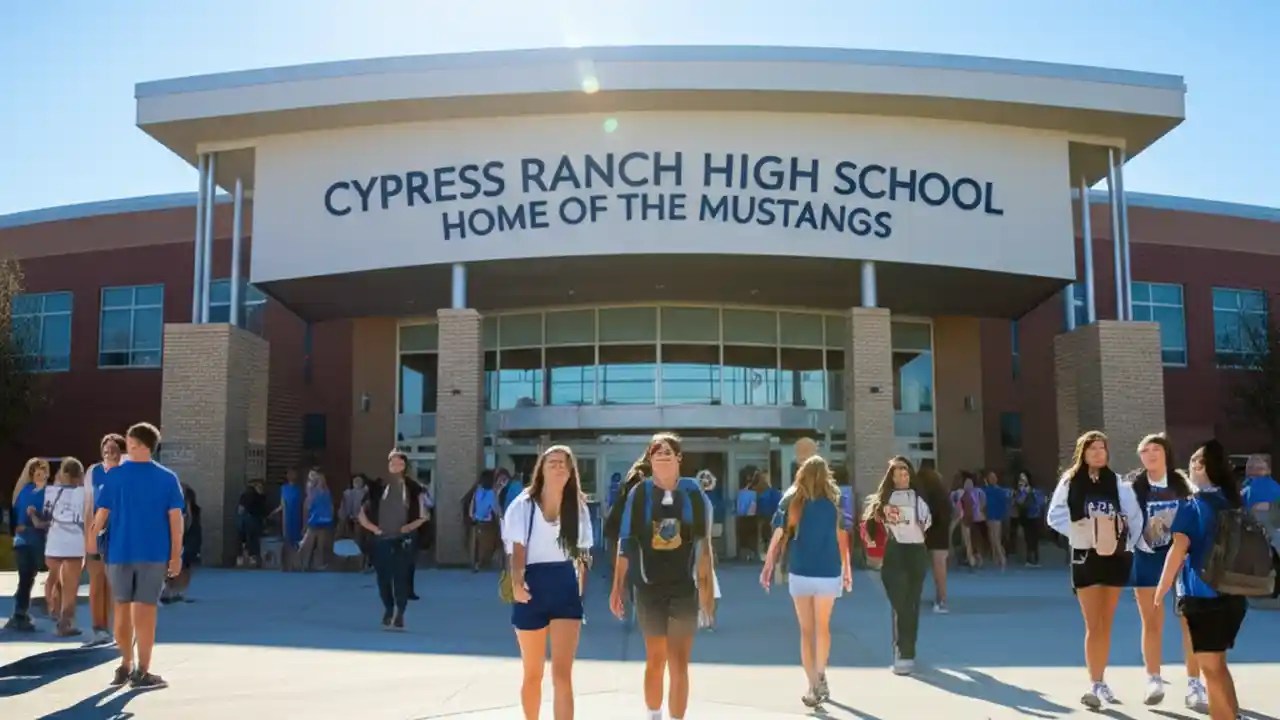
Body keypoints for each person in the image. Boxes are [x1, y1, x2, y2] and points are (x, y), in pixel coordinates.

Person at [610, 433, 715, 720]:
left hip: (684, 589)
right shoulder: (640, 494)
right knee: (655, 660)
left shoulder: (693, 493)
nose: (663, 454)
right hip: (648, 588)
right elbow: (626, 541)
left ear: (679, 457)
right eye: (656, 451)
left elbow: (705, 546)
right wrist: (617, 587)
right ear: (650, 458)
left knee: (679, 663)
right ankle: (654, 715)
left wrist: (707, 591)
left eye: (669, 450)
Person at [1046, 430, 1144, 710]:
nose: (1099, 452)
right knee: (1093, 624)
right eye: (1093, 448)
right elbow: (1054, 516)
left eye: (1102, 448)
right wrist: (1079, 533)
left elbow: (1135, 518)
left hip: (1113, 557)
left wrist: (1128, 542)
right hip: (1085, 557)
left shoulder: (1119, 483)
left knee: (1106, 621)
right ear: (1083, 452)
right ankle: (1095, 682)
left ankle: (1101, 681)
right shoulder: (1070, 482)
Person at [1155, 440, 1252, 720]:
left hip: (1201, 595)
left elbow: (1178, 548)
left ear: (1200, 466)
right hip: (1234, 592)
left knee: (1211, 669)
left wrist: (1161, 588)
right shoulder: (1234, 499)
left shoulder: (1193, 505)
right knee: (1218, 665)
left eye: (1194, 462)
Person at [91, 422, 186, 689]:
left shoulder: (115, 476)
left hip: (119, 553)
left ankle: (125, 664)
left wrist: (90, 541)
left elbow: (101, 515)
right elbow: (175, 520)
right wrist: (175, 555)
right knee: (145, 612)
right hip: (153, 553)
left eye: (129, 442)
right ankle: (143, 672)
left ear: (138, 444)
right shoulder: (168, 478)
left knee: (121, 609)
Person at [503, 445, 593, 720]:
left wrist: (579, 592)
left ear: (571, 472)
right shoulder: (523, 504)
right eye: (552, 462)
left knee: (563, 675)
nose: (558, 467)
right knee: (533, 673)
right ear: (541, 468)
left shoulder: (577, 508)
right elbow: (517, 551)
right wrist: (517, 583)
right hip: (532, 587)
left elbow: (583, 555)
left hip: (565, 587)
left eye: (563, 463)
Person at [760, 455, 852, 707]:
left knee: (806, 630)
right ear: (826, 475)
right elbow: (842, 537)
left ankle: (812, 685)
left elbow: (778, 535)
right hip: (829, 571)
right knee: (823, 627)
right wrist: (847, 569)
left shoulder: (791, 500)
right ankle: (821, 674)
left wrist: (768, 565)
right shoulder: (836, 502)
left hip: (800, 571)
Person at [1126, 433, 1203, 709]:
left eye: (1155, 449)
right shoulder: (1133, 487)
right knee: (1151, 621)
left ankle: (1195, 685)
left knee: (1190, 623)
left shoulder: (1184, 485)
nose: (1150, 454)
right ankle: (1153, 679)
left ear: (1166, 453)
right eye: (1144, 450)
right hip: (1147, 559)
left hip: (1183, 561)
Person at [863, 456, 932, 675]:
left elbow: (926, 522)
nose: (903, 477)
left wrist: (921, 523)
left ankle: (906, 651)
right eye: (899, 473)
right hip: (895, 550)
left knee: (911, 603)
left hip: (916, 551)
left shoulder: (918, 499)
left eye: (906, 473)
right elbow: (869, 527)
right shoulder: (886, 499)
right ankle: (902, 648)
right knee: (899, 601)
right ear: (891, 477)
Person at [357, 450, 428, 630]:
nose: (395, 466)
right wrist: (374, 529)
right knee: (383, 578)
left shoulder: (414, 488)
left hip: (403, 540)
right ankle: (388, 609)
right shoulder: (378, 486)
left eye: (400, 463)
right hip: (382, 539)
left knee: (401, 577)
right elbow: (361, 514)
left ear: (405, 466)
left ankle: (400, 614)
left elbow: (424, 515)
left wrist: (408, 527)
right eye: (392, 463)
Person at [85, 434, 124, 645]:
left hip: (119, 533)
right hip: (97, 532)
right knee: (97, 583)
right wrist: (89, 536)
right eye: (106, 450)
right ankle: (98, 629)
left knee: (116, 585)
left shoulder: (127, 472)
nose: (109, 454)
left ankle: (119, 630)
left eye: (114, 450)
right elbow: (88, 505)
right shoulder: (93, 472)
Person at [44, 457, 88, 637]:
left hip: (54, 541)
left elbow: (46, 515)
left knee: (54, 579)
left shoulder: (51, 492)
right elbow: (86, 519)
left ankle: (53, 609)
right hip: (74, 542)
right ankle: (65, 622)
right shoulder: (84, 493)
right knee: (70, 586)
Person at [6, 458, 50, 632]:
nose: (39, 475)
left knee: (42, 577)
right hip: (23, 540)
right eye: (35, 472)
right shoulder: (24, 491)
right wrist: (17, 527)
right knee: (26, 577)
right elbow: (16, 513)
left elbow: (50, 517)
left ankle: (57, 612)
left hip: (43, 541)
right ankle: (20, 613)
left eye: (42, 471)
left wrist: (36, 521)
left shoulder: (50, 493)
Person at [918, 467, 953, 613]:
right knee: (940, 565)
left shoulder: (926, 495)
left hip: (933, 530)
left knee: (936, 566)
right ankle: (941, 598)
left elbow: (922, 515)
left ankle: (941, 599)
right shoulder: (942, 495)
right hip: (942, 530)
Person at [162, 483, 202, 604]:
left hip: (187, 537)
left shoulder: (193, 511)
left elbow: (192, 527)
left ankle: (178, 590)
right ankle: (168, 590)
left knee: (185, 563)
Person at [299, 468, 334, 571]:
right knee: (311, 544)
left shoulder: (324, 492)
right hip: (315, 521)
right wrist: (305, 524)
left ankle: (315, 564)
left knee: (319, 544)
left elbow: (330, 507)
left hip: (321, 521)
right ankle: (306, 564)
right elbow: (306, 509)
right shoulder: (313, 492)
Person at [271, 469, 305, 571]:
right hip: (287, 517)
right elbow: (283, 504)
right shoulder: (284, 488)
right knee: (287, 540)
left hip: (297, 517)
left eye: (294, 474)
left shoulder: (300, 489)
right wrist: (274, 512)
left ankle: (296, 564)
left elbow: (303, 505)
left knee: (297, 542)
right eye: (290, 474)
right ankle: (285, 564)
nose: (292, 476)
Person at [1011, 471, 1045, 567]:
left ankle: (1036, 559)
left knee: (1035, 538)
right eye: (1021, 478)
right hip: (1025, 517)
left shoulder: (1035, 490)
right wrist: (1023, 492)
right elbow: (1018, 502)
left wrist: (1031, 492)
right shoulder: (1019, 491)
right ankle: (1029, 559)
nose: (1022, 480)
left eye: (1024, 477)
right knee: (1028, 537)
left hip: (1035, 516)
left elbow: (1041, 501)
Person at [471, 470, 502, 572]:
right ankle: (482, 563)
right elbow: (495, 508)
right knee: (490, 543)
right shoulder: (491, 493)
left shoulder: (478, 491)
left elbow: (473, 505)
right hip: (488, 522)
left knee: (479, 543)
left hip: (477, 521)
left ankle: (478, 563)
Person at [982, 470, 1009, 570]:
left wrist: (1002, 515)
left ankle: (1002, 558)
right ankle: (997, 557)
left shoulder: (1000, 491)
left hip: (997, 516)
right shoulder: (987, 490)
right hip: (990, 515)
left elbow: (1004, 505)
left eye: (994, 477)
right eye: (990, 478)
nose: (992, 479)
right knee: (992, 538)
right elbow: (983, 501)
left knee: (996, 538)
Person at [734, 470, 759, 561]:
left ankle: (743, 555)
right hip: (750, 518)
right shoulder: (753, 494)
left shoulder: (739, 493)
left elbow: (738, 506)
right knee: (751, 537)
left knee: (742, 537)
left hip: (740, 517)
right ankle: (751, 555)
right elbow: (753, 506)